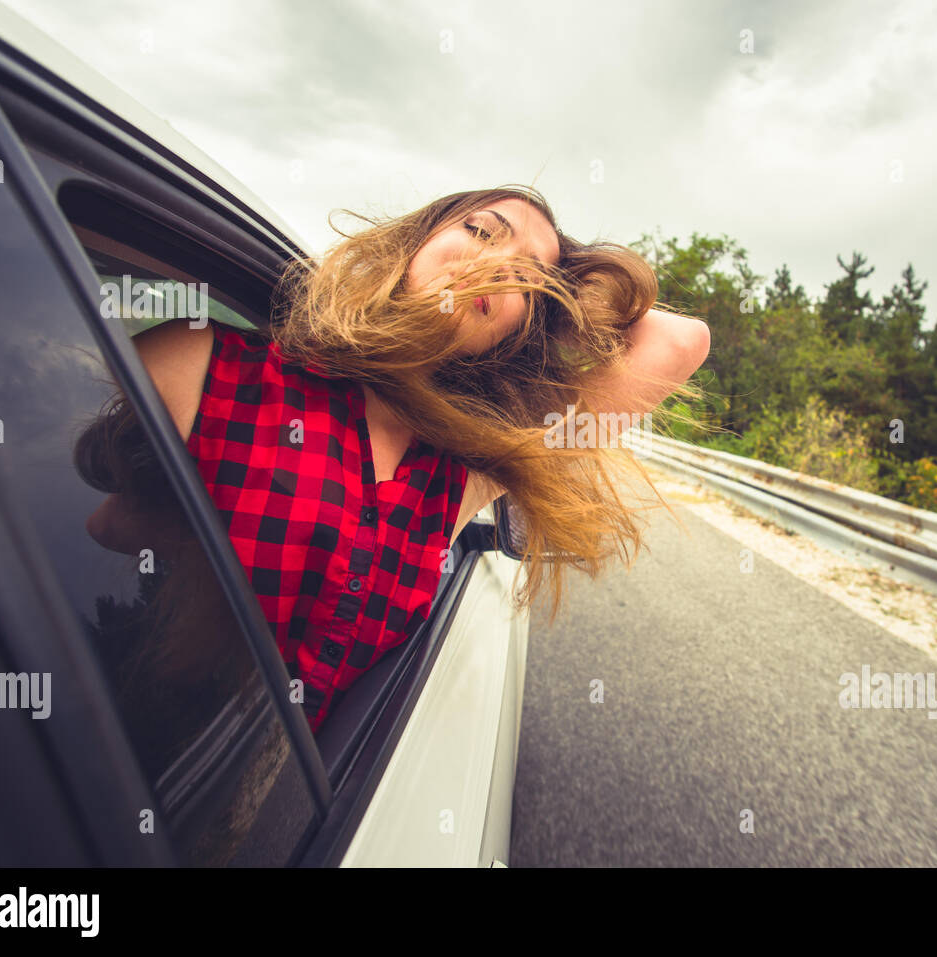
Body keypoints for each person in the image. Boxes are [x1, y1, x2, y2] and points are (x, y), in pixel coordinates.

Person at [131, 184, 711, 732]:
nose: (499, 265)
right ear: (415, 242)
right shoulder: (208, 363)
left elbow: (681, 343)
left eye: (529, 280)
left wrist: (562, 309)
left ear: (519, 334)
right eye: (483, 231)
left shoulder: (465, 474)